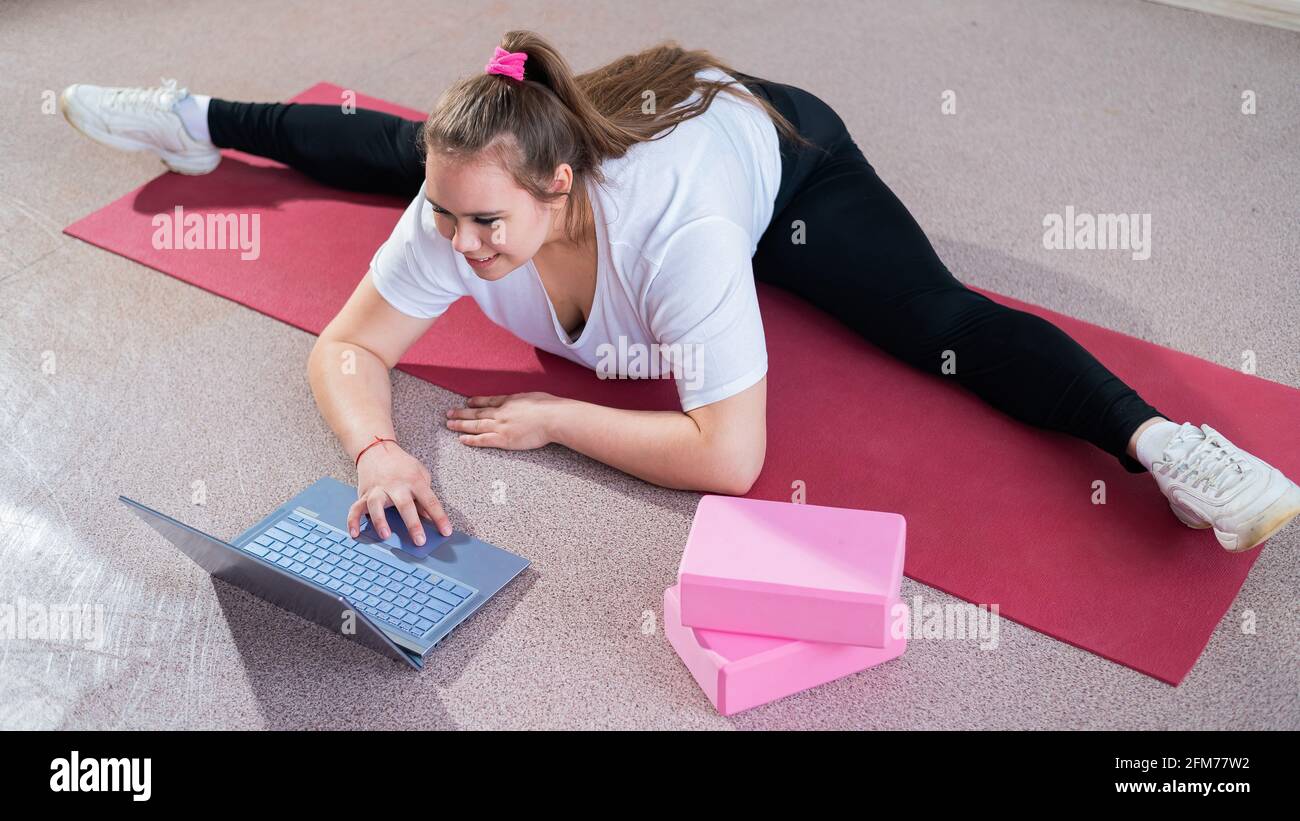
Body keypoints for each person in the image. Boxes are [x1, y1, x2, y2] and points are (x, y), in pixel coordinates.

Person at [59, 31, 1300, 554]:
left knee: (936, 323)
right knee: (398, 143)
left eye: (485, 222)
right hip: (585, 138)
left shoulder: (689, 231)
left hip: (781, 155)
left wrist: (554, 420)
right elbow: (345, 348)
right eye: (452, 218)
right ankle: (192, 120)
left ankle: (1166, 446)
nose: (456, 244)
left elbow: (733, 457)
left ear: (563, 188)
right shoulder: (481, 195)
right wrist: (376, 449)